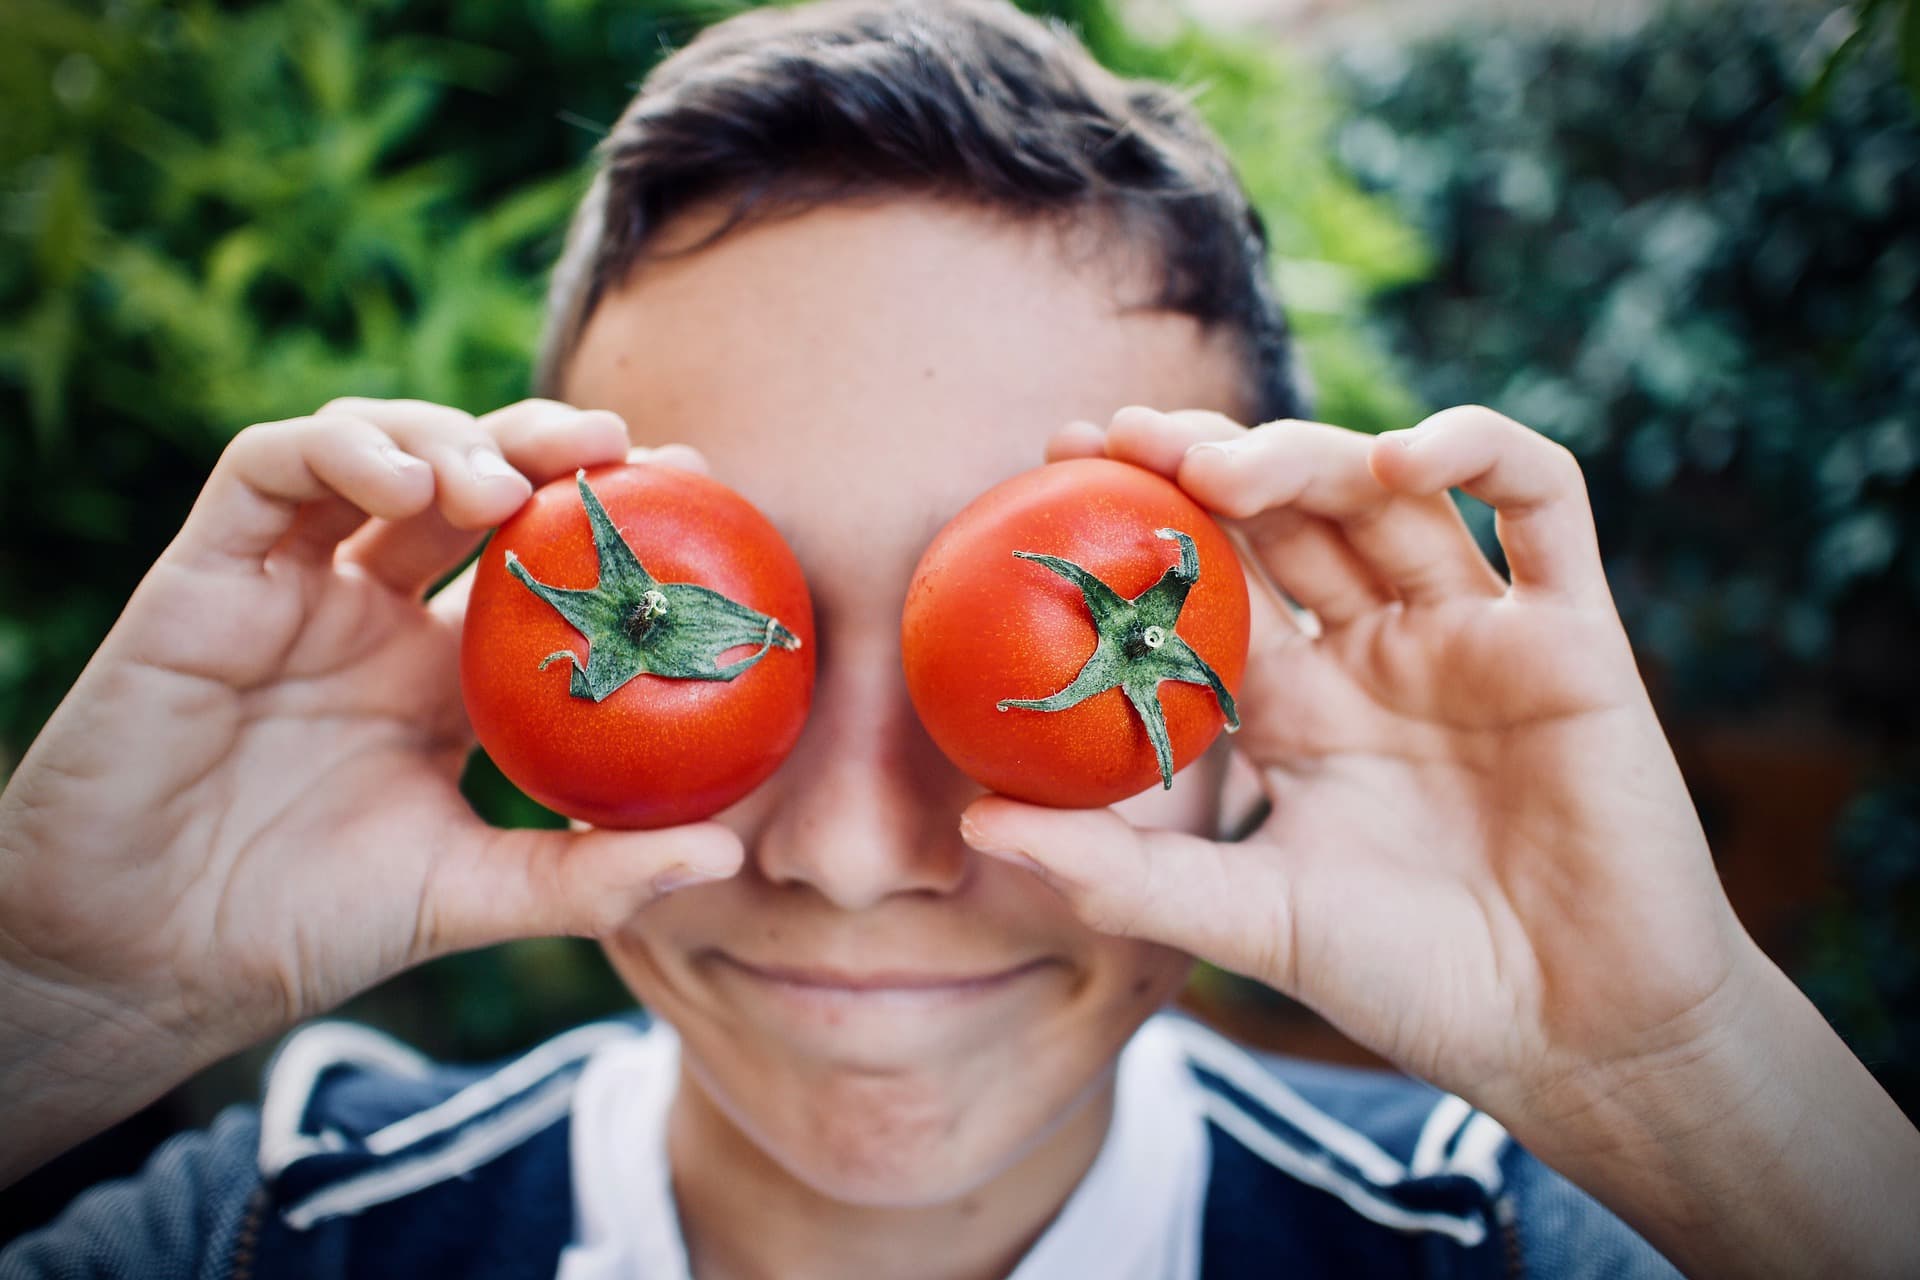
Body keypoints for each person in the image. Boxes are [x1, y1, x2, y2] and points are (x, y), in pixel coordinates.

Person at [1, 1, 1915, 1276]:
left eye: (1004, 684)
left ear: (1246, 715)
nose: (846, 856)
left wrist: (1678, 1070)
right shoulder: (263, 1234)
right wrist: (54, 1010)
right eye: (724, 639)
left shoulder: (1493, 1248)